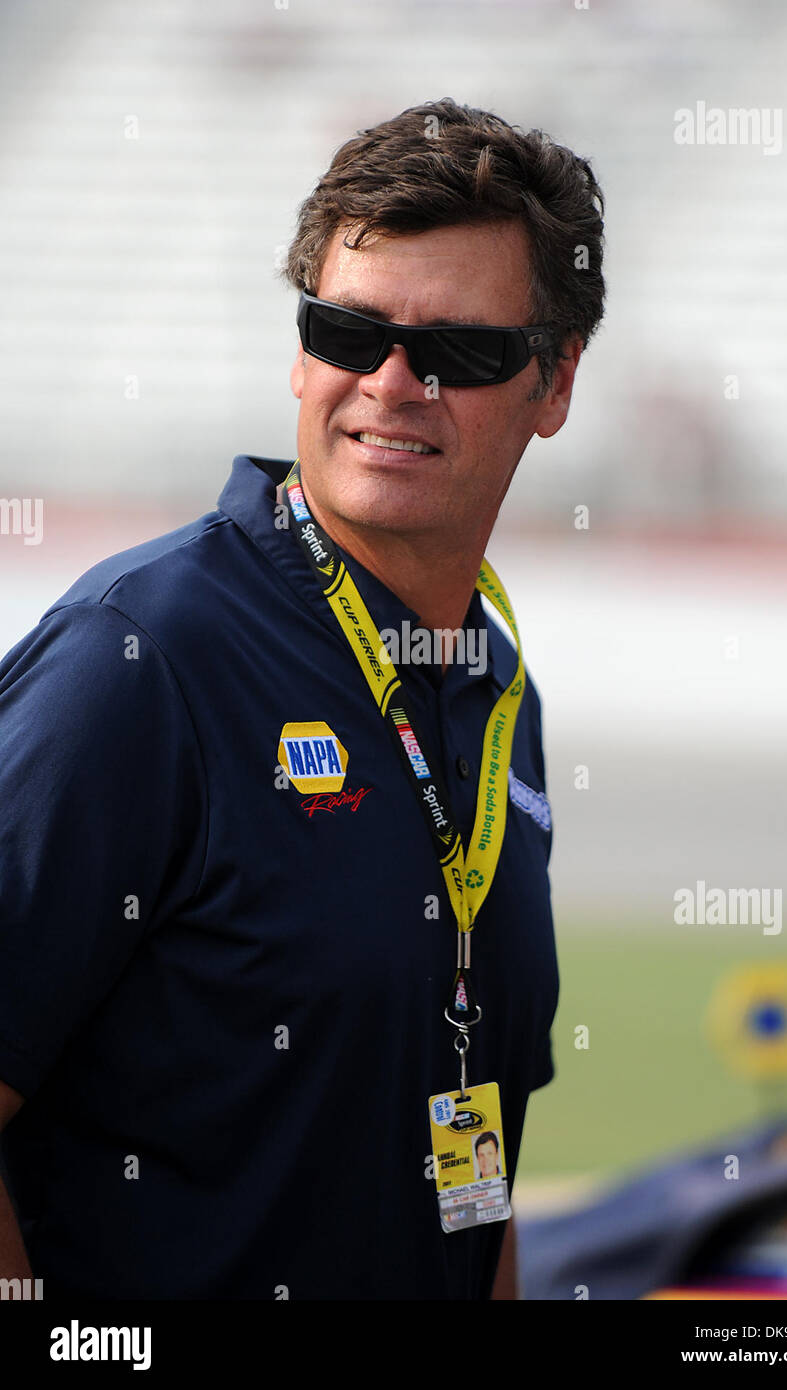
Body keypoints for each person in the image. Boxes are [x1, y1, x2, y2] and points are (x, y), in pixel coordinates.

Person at [0, 97, 605, 1301]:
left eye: (458, 350)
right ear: (299, 350)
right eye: (346, 330)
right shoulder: (138, 659)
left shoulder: (494, 691)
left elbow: (476, 1159)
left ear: (553, 383)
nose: (391, 382)